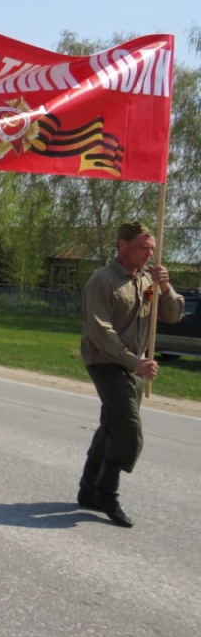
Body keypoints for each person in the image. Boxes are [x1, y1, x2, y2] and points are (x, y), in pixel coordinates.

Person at [77, 221, 184, 528]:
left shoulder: (146, 282)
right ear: (122, 245)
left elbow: (172, 315)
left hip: (135, 364)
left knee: (111, 423)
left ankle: (87, 488)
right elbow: (99, 330)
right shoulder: (103, 280)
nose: (149, 253)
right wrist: (132, 361)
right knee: (128, 428)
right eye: (143, 247)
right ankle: (107, 492)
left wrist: (164, 287)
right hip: (106, 361)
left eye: (151, 248)